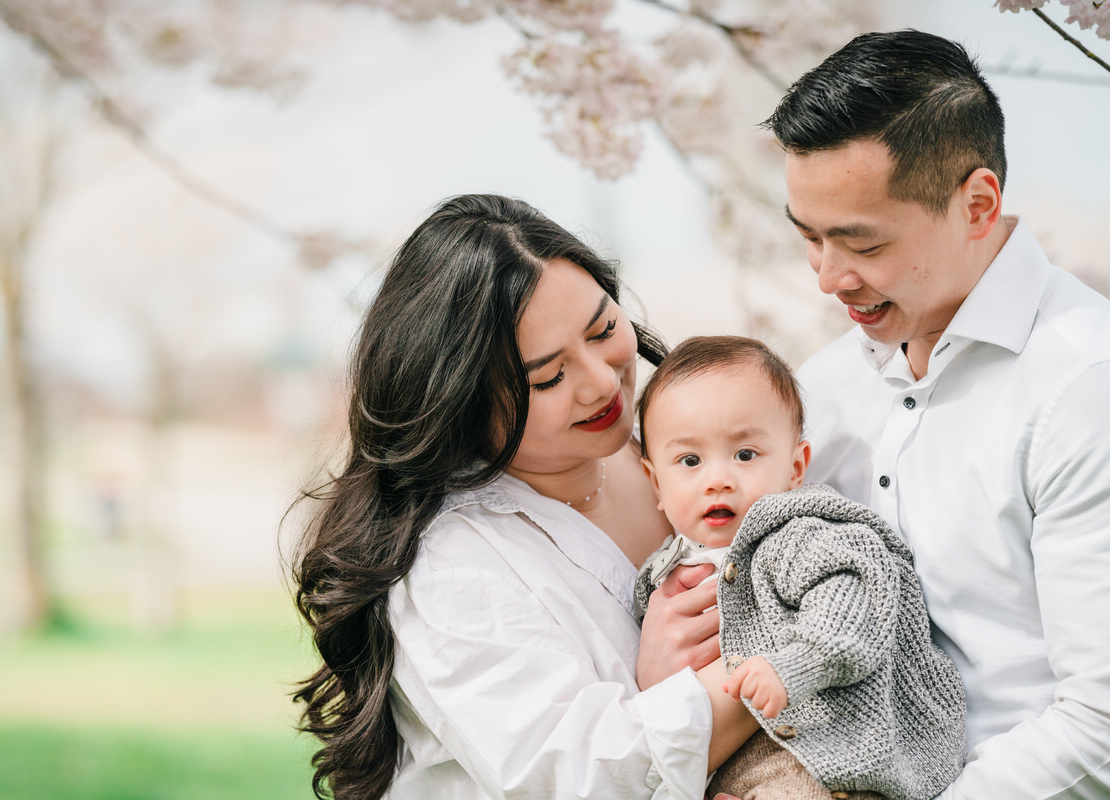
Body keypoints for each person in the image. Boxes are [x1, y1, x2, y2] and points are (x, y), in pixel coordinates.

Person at [290, 194, 758, 800]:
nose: (599, 381)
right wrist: (782, 656)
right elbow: (581, 776)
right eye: (548, 377)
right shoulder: (450, 564)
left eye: (603, 329)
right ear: (462, 403)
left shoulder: (681, 451)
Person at [764, 29, 1110, 798]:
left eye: (859, 242)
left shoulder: (1085, 386)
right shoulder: (816, 395)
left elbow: (1101, 720)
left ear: (978, 204)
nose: (827, 278)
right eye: (809, 238)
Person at [633, 335, 966, 800]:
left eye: (745, 455)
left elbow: (853, 608)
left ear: (795, 467)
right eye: (690, 461)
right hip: (737, 772)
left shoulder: (798, 536)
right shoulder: (662, 575)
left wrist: (790, 666)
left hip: (833, 756)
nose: (718, 480)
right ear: (655, 481)